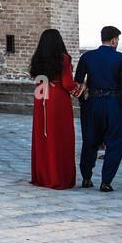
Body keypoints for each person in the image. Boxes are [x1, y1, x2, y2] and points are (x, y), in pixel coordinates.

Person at [74, 26, 122, 191]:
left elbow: (78, 81)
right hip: (114, 103)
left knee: (90, 140)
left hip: (93, 102)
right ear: (114, 40)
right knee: (115, 142)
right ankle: (106, 181)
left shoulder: (87, 57)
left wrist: (83, 102)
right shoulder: (121, 58)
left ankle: (86, 178)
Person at [28, 29, 84, 189]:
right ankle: (57, 177)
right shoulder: (63, 58)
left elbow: (37, 78)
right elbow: (67, 84)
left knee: (42, 135)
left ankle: (43, 176)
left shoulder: (38, 58)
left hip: (40, 95)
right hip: (57, 98)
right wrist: (82, 89)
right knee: (59, 136)